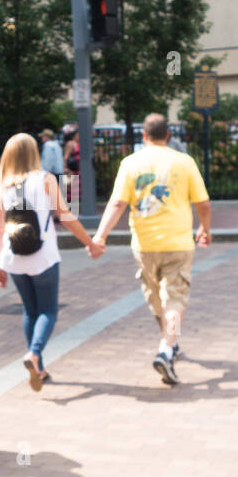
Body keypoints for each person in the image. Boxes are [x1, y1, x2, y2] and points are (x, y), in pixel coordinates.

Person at [92, 113, 211, 386]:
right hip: (179, 243)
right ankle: (166, 350)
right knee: (175, 299)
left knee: (157, 299)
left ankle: (169, 343)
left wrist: (100, 236)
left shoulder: (130, 163)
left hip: (144, 245)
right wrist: (205, 228)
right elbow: (203, 203)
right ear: (167, 134)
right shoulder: (184, 162)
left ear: (144, 136)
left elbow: (117, 204)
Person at [0, 132, 102, 391]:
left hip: (14, 257)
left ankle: (39, 368)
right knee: (48, 310)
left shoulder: (3, 184)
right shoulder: (45, 180)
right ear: (34, 153)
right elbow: (65, 216)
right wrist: (90, 243)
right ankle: (34, 354)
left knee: (30, 311)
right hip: (43, 257)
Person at [62, 127, 81, 202]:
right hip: (71, 170)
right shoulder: (70, 143)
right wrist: (65, 169)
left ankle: (74, 209)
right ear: (74, 135)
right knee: (70, 191)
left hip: (77, 170)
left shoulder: (78, 143)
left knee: (75, 192)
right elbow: (66, 157)